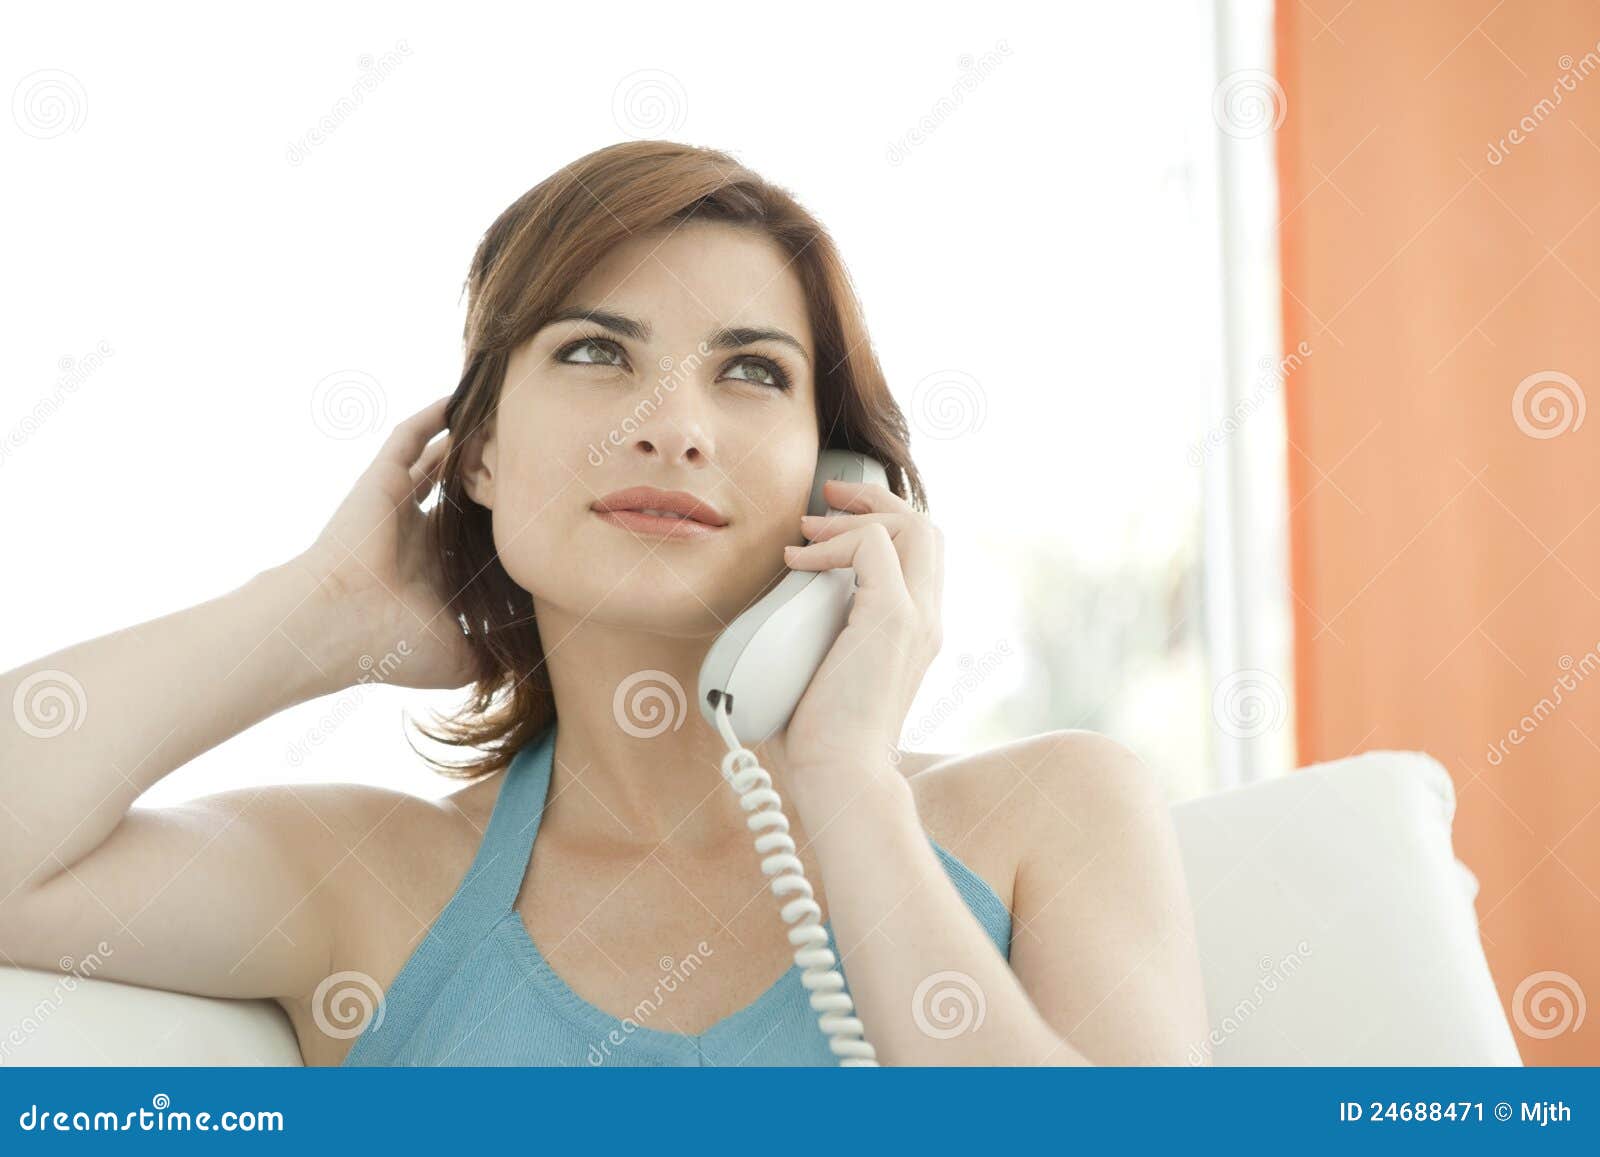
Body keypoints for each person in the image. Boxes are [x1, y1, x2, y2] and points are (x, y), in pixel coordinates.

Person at [0, 140, 1209, 1066]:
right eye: (594, 351)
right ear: (476, 452)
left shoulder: (1051, 814)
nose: (673, 426)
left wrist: (846, 783)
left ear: (838, 479)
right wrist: (319, 611)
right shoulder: (376, 881)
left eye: (752, 371)